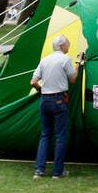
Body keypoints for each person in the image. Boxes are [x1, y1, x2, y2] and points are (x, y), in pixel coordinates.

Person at [31, 35, 84, 180]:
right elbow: (73, 79)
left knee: (45, 135)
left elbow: (33, 82)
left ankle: (39, 171)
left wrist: (40, 90)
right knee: (60, 136)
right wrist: (78, 64)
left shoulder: (45, 60)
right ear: (62, 46)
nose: (69, 47)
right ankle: (57, 172)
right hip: (59, 100)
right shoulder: (65, 60)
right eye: (68, 44)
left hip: (45, 100)